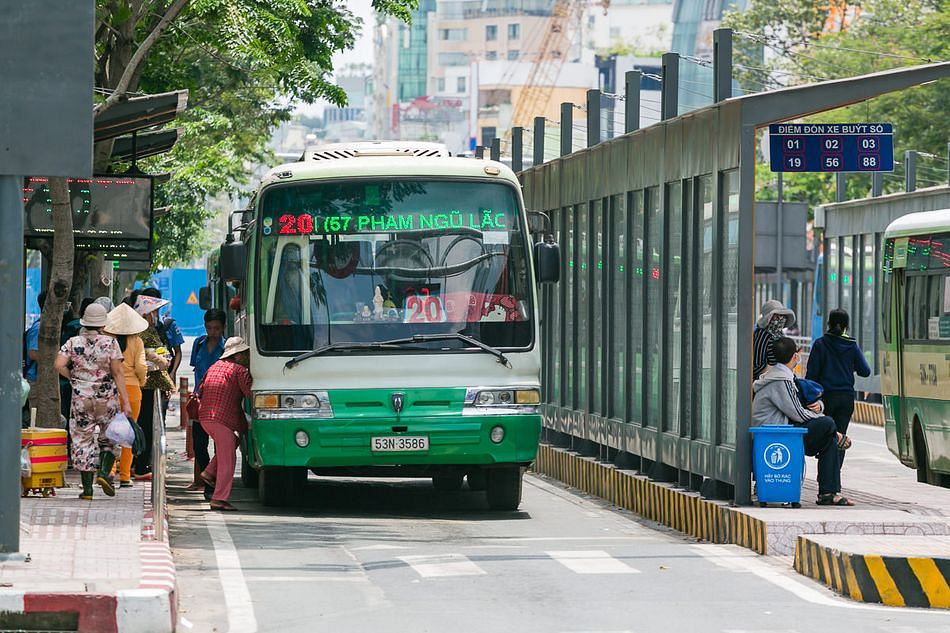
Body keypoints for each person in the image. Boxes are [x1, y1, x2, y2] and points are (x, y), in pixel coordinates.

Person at [752, 336, 854, 506]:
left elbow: (802, 403)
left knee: (828, 439)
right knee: (828, 424)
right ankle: (829, 488)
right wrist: (826, 422)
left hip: (783, 431)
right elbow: (798, 413)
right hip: (777, 434)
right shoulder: (780, 381)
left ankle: (828, 493)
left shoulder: (780, 376)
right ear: (795, 356)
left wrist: (819, 408)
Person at [54, 303, 134, 500]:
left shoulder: (73, 342)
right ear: (103, 323)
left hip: (81, 399)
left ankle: (88, 490)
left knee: (82, 440)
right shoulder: (110, 343)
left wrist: (73, 377)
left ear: (84, 322)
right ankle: (104, 474)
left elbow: (58, 364)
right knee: (109, 437)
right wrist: (126, 401)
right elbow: (118, 372)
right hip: (106, 398)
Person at [806, 308, 871, 473]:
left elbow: (811, 375)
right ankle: (835, 477)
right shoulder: (852, 346)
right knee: (840, 438)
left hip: (826, 399)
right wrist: (848, 367)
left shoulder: (820, 344)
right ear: (846, 326)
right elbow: (865, 371)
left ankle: (824, 478)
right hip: (846, 399)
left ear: (828, 324)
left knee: (827, 436)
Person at [198, 337, 253, 511]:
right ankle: (219, 499)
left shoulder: (214, 367)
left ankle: (209, 472)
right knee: (227, 460)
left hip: (205, 417)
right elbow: (250, 394)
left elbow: (201, 389)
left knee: (233, 442)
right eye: (245, 353)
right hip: (220, 420)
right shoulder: (239, 370)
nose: (247, 357)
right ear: (237, 355)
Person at [104, 303, 149, 488]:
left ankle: (109, 471)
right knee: (129, 433)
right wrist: (142, 381)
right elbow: (141, 367)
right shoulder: (137, 341)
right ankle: (124, 475)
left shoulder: (107, 340)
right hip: (132, 390)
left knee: (109, 432)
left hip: (111, 389)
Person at [133, 295, 175, 481]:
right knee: (145, 426)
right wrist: (160, 361)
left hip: (147, 385)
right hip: (146, 385)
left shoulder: (147, 331)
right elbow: (146, 358)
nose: (156, 316)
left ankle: (139, 463)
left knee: (146, 425)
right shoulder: (142, 333)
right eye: (154, 312)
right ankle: (141, 465)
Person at [186, 309, 227, 495]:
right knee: (199, 446)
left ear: (223, 327)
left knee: (220, 446)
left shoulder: (226, 348)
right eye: (209, 328)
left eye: (216, 328)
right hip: (199, 401)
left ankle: (215, 485)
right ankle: (208, 479)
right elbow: (196, 368)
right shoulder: (199, 343)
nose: (213, 332)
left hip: (219, 402)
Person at [752, 300, 797, 381]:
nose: (781, 319)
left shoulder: (779, 333)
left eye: (783, 316)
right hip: (766, 382)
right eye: (777, 316)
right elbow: (757, 365)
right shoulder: (763, 335)